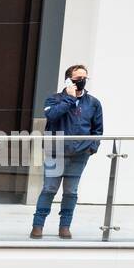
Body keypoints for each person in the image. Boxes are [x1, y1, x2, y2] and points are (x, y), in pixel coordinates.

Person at [32, 64, 103, 239]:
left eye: (85, 78)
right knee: (49, 189)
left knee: (71, 192)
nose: (82, 81)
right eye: (78, 78)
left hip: (80, 155)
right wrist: (69, 99)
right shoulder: (54, 99)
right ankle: (38, 225)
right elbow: (52, 116)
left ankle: (65, 226)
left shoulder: (93, 103)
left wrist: (91, 148)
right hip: (56, 153)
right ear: (68, 80)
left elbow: (97, 129)